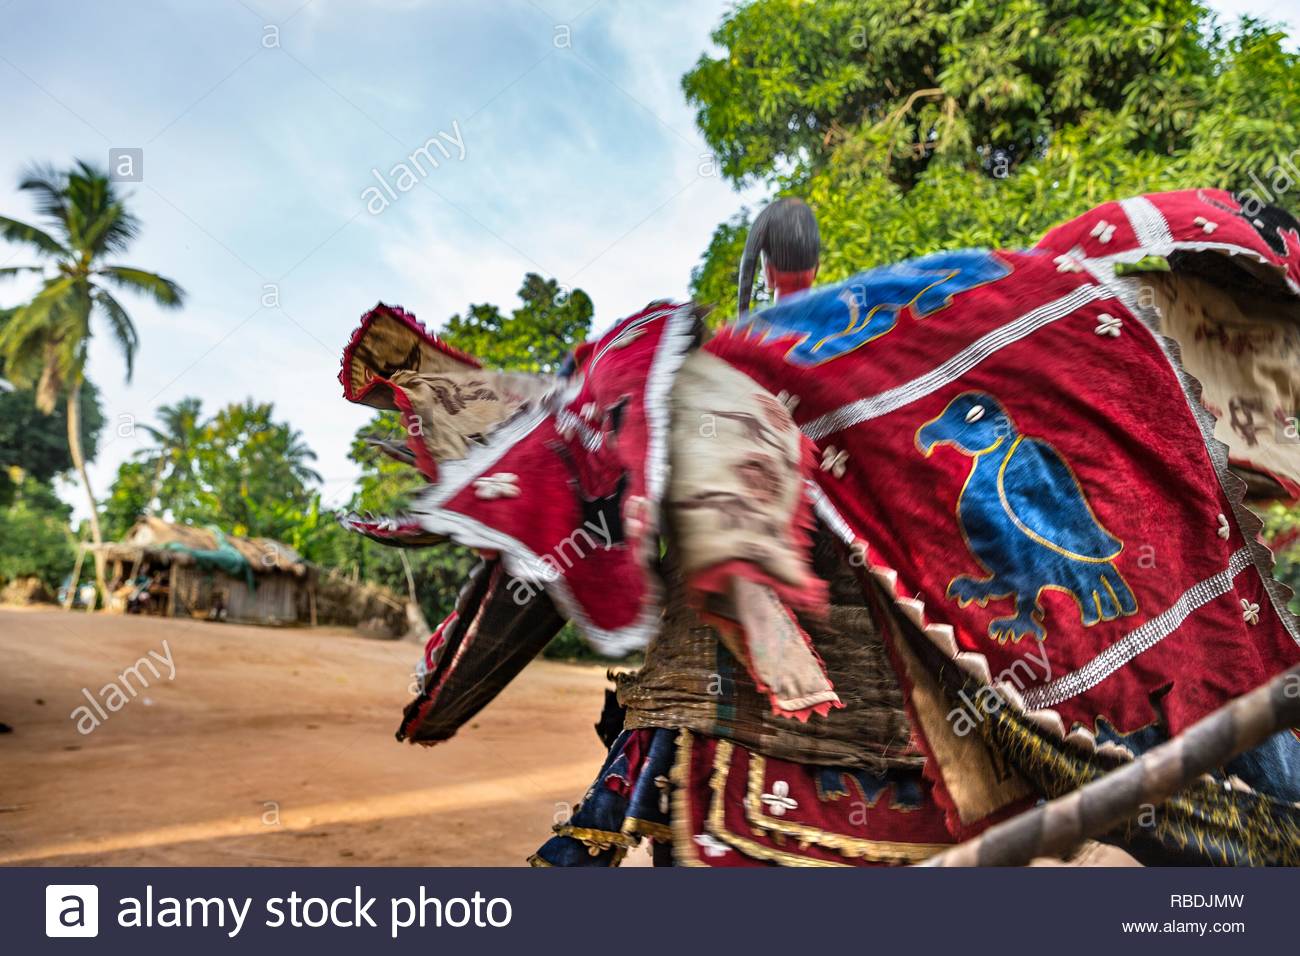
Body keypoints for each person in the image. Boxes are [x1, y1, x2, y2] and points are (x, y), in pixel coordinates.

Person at [736, 197, 820, 314]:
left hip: (782, 278)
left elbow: (748, 262)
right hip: (807, 275)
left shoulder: (766, 217)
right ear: (816, 269)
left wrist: (743, 316)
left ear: (768, 272)